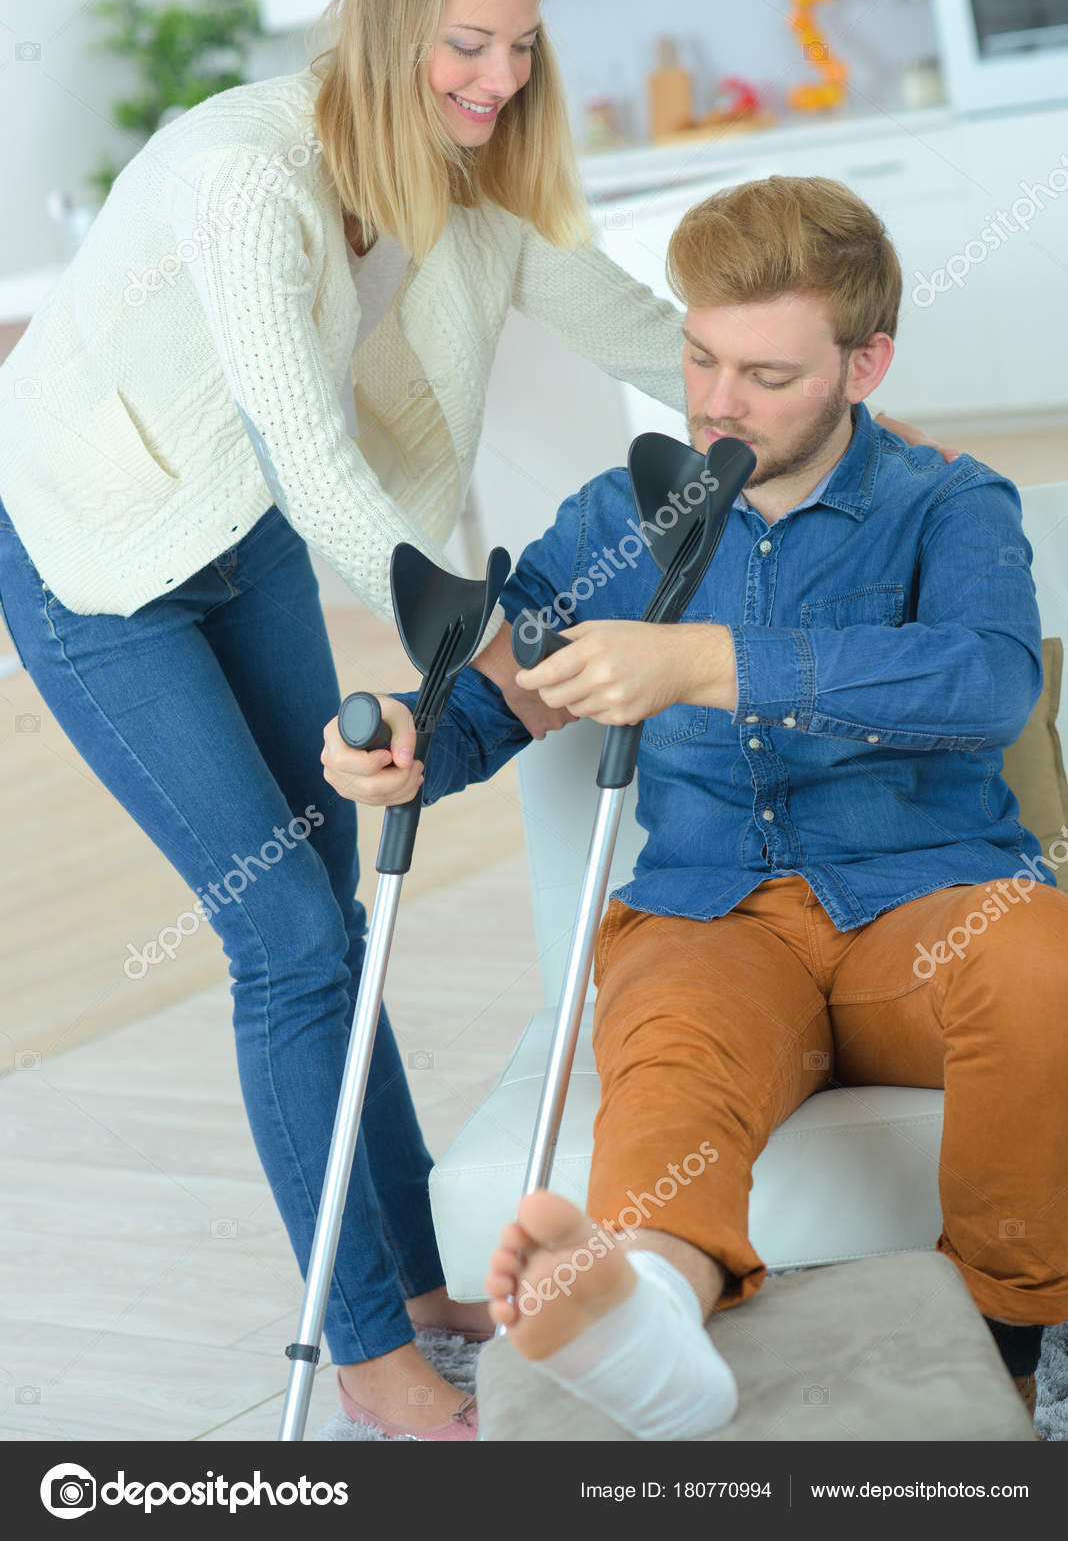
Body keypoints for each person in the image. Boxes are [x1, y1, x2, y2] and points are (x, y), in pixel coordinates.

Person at [0, 0, 943, 1443]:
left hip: (238, 543)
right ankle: (366, 1350)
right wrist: (498, 646)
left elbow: (633, 322)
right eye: (466, 45)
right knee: (287, 939)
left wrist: (840, 412)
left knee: (345, 915)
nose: (497, 83)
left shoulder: (464, 182)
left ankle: (410, 1276)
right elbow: (311, 454)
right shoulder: (249, 177)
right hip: (91, 552)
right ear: (385, 22)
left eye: (518, 49)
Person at [323, 172, 1068, 1441]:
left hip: (925, 909)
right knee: (670, 1043)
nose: (717, 401)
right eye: (700, 357)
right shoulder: (622, 515)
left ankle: (1006, 1350)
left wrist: (713, 663)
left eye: (768, 375)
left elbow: (991, 679)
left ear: (864, 362)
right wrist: (409, 741)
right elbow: (514, 694)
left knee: (1042, 960)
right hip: (714, 914)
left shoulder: (950, 503)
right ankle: (652, 1318)